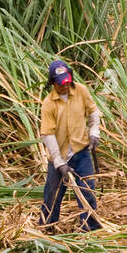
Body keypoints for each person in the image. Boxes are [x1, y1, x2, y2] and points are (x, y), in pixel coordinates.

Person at [40, 59, 101, 232]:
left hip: (80, 153)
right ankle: (47, 228)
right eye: (61, 84)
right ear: (52, 83)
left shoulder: (81, 91)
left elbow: (93, 111)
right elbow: (47, 134)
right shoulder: (48, 104)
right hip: (58, 156)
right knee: (52, 196)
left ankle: (90, 228)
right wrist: (59, 162)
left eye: (67, 82)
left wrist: (94, 131)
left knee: (87, 191)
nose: (65, 87)